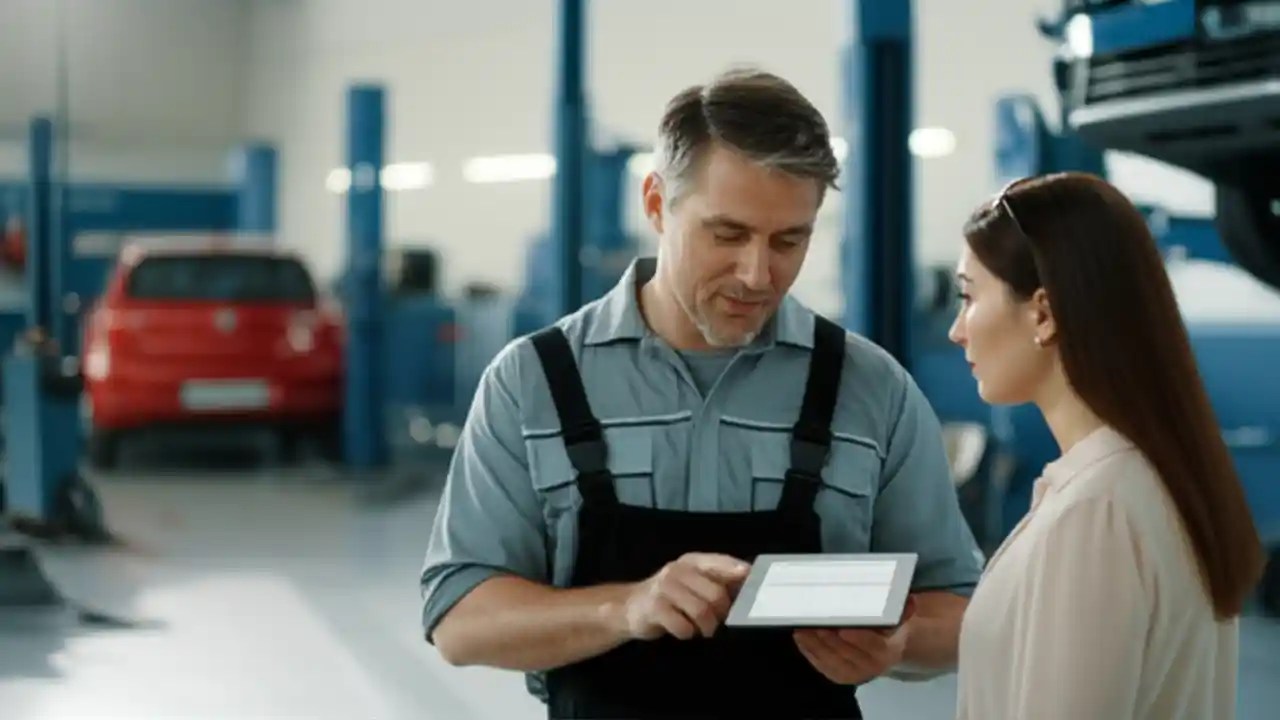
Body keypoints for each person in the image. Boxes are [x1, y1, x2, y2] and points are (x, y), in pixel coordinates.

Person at [420, 67, 984, 719]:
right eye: (728, 234)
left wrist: (902, 643)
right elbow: (460, 620)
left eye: (788, 240)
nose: (756, 273)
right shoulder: (534, 383)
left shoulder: (871, 390)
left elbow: (961, 609)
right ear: (657, 203)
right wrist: (625, 607)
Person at [948, 172, 1267, 720]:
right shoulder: (1143, 481)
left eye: (968, 297)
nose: (957, 330)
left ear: (1043, 313)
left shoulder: (1095, 513)